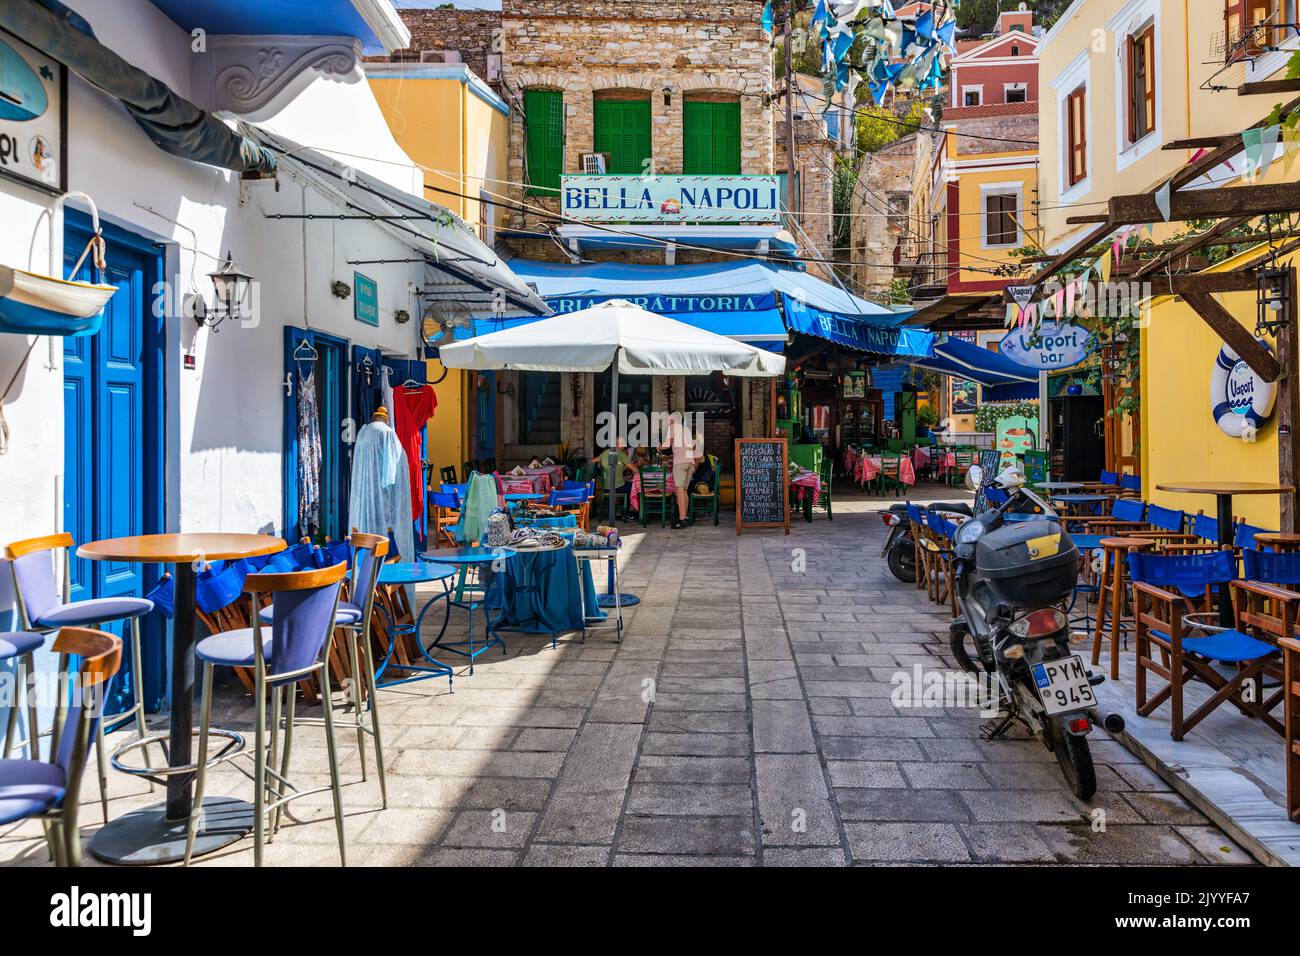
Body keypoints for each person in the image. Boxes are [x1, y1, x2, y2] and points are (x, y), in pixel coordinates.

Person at [658, 411, 701, 530]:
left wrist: (659, 447)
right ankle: (685, 517)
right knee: (685, 490)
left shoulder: (673, 427)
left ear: (672, 420)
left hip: (680, 463)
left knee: (680, 490)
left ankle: (681, 519)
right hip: (690, 462)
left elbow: (667, 444)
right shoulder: (686, 430)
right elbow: (692, 446)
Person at [591, 438, 638, 519]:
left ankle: (618, 511)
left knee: (625, 485)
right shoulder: (621, 454)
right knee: (635, 488)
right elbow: (636, 470)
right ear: (617, 444)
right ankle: (629, 511)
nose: (625, 445)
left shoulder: (605, 453)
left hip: (606, 487)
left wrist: (603, 465)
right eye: (623, 443)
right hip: (618, 487)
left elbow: (593, 461)